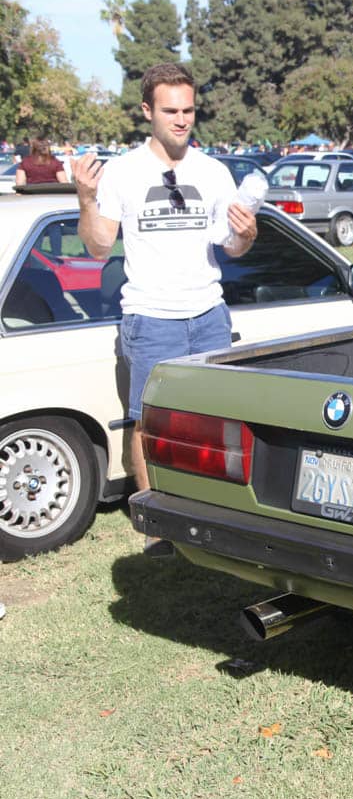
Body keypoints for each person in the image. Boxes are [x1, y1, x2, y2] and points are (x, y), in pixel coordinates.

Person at [72, 62, 258, 556]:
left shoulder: (213, 172)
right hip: (151, 316)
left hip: (209, 314)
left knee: (218, 419)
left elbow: (232, 245)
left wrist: (246, 235)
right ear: (147, 111)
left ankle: (213, 511)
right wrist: (86, 198)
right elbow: (97, 246)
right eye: (170, 111)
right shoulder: (123, 172)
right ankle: (157, 527)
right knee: (148, 422)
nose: (181, 120)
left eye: (188, 110)